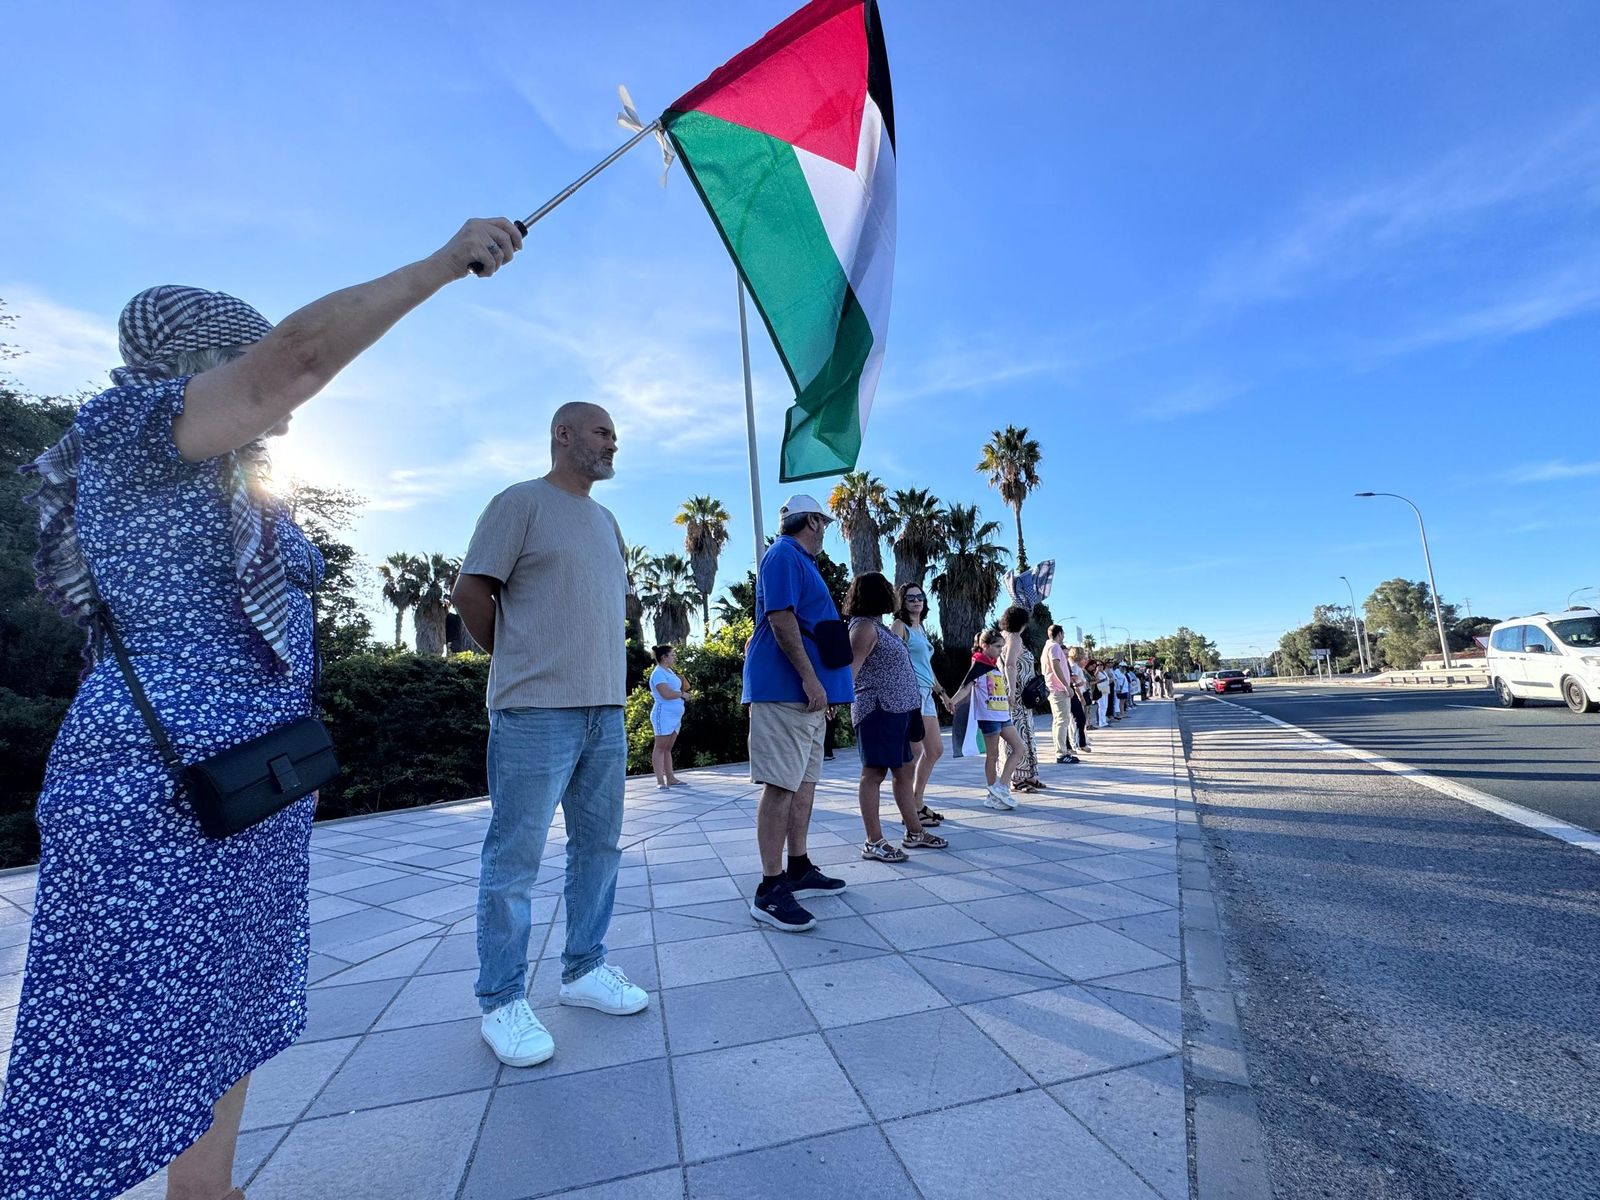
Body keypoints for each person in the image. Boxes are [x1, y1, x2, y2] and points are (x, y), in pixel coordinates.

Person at [2, 218, 524, 1200]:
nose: (262, 375)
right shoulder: (133, 434)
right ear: (192, 360)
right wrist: (442, 261)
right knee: (107, 1039)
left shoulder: (229, 477)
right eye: (238, 353)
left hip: (253, 782)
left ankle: (207, 1189)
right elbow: (296, 361)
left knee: (226, 1001)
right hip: (153, 788)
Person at [454, 400, 650, 1072]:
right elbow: (471, 592)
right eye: (602, 432)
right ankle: (501, 998)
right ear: (562, 435)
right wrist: (515, 658)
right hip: (534, 712)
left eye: (614, 435)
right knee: (515, 860)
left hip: (603, 710)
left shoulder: (607, 520)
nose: (612, 443)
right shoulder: (520, 503)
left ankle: (583, 970)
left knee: (600, 848)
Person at [741, 495, 852, 932]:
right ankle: (770, 889)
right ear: (812, 522)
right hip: (786, 691)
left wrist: (820, 691)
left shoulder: (800, 561)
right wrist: (809, 679)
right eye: (823, 523)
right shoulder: (783, 554)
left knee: (803, 785)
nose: (826, 530)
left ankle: (798, 867)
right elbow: (781, 619)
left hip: (807, 698)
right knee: (781, 787)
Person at [846, 573, 949, 861]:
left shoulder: (879, 626)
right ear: (877, 594)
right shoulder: (864, 627)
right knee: (873, 775)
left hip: (900, 710)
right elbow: (851, 670)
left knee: (904, 772)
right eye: (889, 590)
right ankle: (873, 841)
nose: (895, 595)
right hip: (877, 710)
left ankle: (915, 833)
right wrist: (834, 703)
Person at [890, 581, 949, 827]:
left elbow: (927, 667)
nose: (916, 600)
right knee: (914, 754)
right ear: (902, 602)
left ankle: (916, 801)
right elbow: (891, 660)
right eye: (911, 597)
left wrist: (943, 692)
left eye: (920, 597)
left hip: (927, 694)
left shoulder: (921, 628)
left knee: (934, 750)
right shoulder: (899, 626)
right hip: (911, 694)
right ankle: (911, 809)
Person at [951, 629, 1027, 809]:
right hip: (989, 716)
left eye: (1002, 646)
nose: (1001, 650)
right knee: (993, 756)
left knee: (1019, 748)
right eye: (998, 646)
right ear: (985, 646)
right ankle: (993, 793)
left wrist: (1009, 695)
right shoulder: (978, 665)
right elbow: (966, 687)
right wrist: (951, 702)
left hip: (1003, 715)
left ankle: (1000, 787)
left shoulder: (994, 665)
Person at [999, 606, 1045, 792]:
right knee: (1021, 735)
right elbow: (1010, 665)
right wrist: (1011, 691)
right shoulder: (1015, 638)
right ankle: (1018, 778)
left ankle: (1029, 775)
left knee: (1023, 734)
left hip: (1017, 696)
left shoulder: (1003, 637)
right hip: (1017, 696)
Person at [649, 644, 690, 788]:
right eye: (672, 655)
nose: (675, 657)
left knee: (667, 748)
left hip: (674, 716)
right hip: (663, 715)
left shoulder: (669, 671)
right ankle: (660, 781)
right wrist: (682, 694)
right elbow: (665, 694)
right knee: (660, 747)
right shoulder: (658, 673)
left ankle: (671, 778)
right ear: (664, 657)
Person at [1041, 625, 1081, 764]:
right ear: (1059, 634)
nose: (1063, 636)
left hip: (1055, 688)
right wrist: (1066, 685)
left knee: (1059, 721)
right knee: (1062, 721)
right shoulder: (1055, 647)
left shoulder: (1048, 646)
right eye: (1063, 634)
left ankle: (1061, 750)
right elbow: (1056, 666)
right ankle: (1061, 753)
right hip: (1059, 689)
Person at [1067, 646, 1092, 752]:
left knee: (1077, 720)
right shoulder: (1074, 667)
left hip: (1078, 693)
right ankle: (1077, 742)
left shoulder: (1075, 666)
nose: (1084, 658)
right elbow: (1075, 684)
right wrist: (1080, 696)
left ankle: (1080, 741)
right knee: (1076, 720)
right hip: (1076, 694)